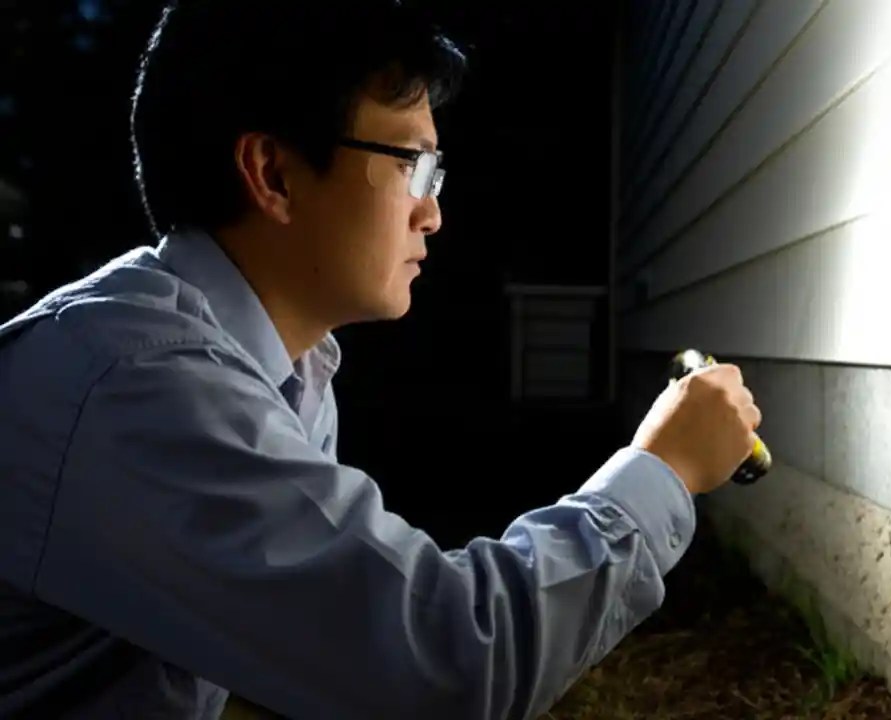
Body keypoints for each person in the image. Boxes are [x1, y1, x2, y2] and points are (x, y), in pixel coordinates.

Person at [0, 1, 763, 718]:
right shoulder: (136, 382)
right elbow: (444, 662)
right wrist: (663, 471)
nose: (431, 211)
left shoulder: (278, 366)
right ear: (272, 173)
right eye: (409, 165)